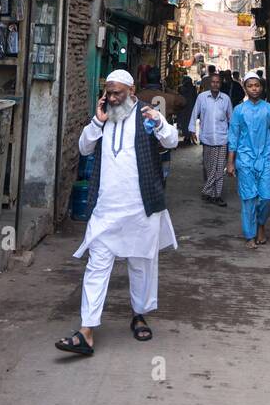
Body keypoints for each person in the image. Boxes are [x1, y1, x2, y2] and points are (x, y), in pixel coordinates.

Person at [55, 69, 178, 358]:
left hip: (140, 208)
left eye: (117, 93)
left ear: (131, 92)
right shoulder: (103, 117)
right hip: (106, 209)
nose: (111, 97)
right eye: (108, 92)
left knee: (141, 265)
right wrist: (97, 121)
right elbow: (84, 148)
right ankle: (86, 330)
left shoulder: (146, 115)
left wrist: (160, 122)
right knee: (97, 265)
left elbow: (172, 141)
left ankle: (139, 315)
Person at [226, 71, 270, 248]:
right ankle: (250, 235)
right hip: (244, 161)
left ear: (261, 87)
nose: (254, 89)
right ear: (244, 88)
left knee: (266, 198)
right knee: (249, 198)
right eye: (250, 86)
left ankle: (261, 225)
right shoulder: (239, 111)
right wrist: (230, 162)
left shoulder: (269, 109)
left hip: (265, 160)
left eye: (257, 85)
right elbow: (233, 137)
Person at [191, 71, 232, 206]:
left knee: (219, 169)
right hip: (207, 138)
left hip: (222, 138)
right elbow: (194, 113)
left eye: (218, 82)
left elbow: (231, 118)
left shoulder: (225, 99)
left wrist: (233, 136)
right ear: (210, 83)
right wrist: (192, 130)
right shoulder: (202, 97)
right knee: (209, 168)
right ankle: (209, 192)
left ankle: (216, 195)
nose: (215, 84)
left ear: (221, 84)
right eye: (213, 82)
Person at [177, 74, 197, 146]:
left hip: (183, 108)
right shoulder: (193, 88)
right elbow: (195, 98)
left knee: (184, 123)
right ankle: (189, 137)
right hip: (191, 108)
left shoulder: (181, 88)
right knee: (189, 122)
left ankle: (187, 137)